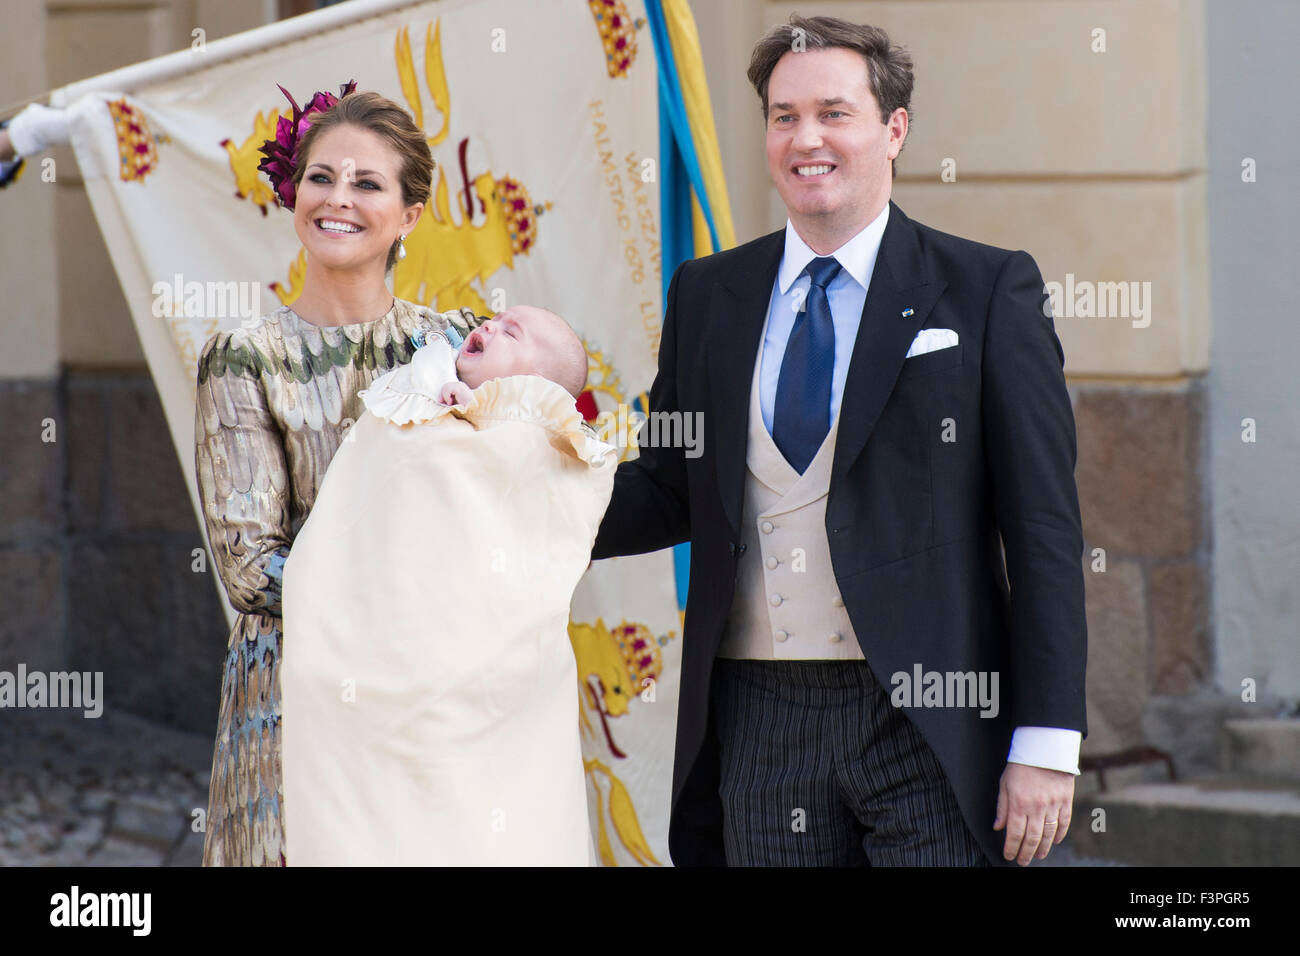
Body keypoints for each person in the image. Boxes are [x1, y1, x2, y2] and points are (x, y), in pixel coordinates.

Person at [591, 14, 1087, 867]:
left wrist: (1045, 740)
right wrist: (507, 490)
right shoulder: (710, 292)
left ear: (894, 129)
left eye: (833, 112)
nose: (805, 138)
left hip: (927, 715)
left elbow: (1042, 527)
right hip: (756, 716)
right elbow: (672, 486)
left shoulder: (985, 288)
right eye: (784, 116)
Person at [194, 86, 479, 866]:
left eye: (366, 183)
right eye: (321, 177)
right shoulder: (244, 353)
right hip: (295, 697)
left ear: (410, 214)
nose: (337, 199)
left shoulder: (460, 344)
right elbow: (251, 569)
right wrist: (413, 592)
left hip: (432, 693)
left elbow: (510, 502)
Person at [280, 305, 614, 866]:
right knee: (369, 823)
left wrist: (488, 419)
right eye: (495, 320)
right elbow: (374, 503)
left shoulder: (548, 438)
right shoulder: (416, 391)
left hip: (479, 669)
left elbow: (539, 515)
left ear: (536, 386)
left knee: (478, 822)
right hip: (373, 658)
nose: (488, 328)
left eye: (512, 334)